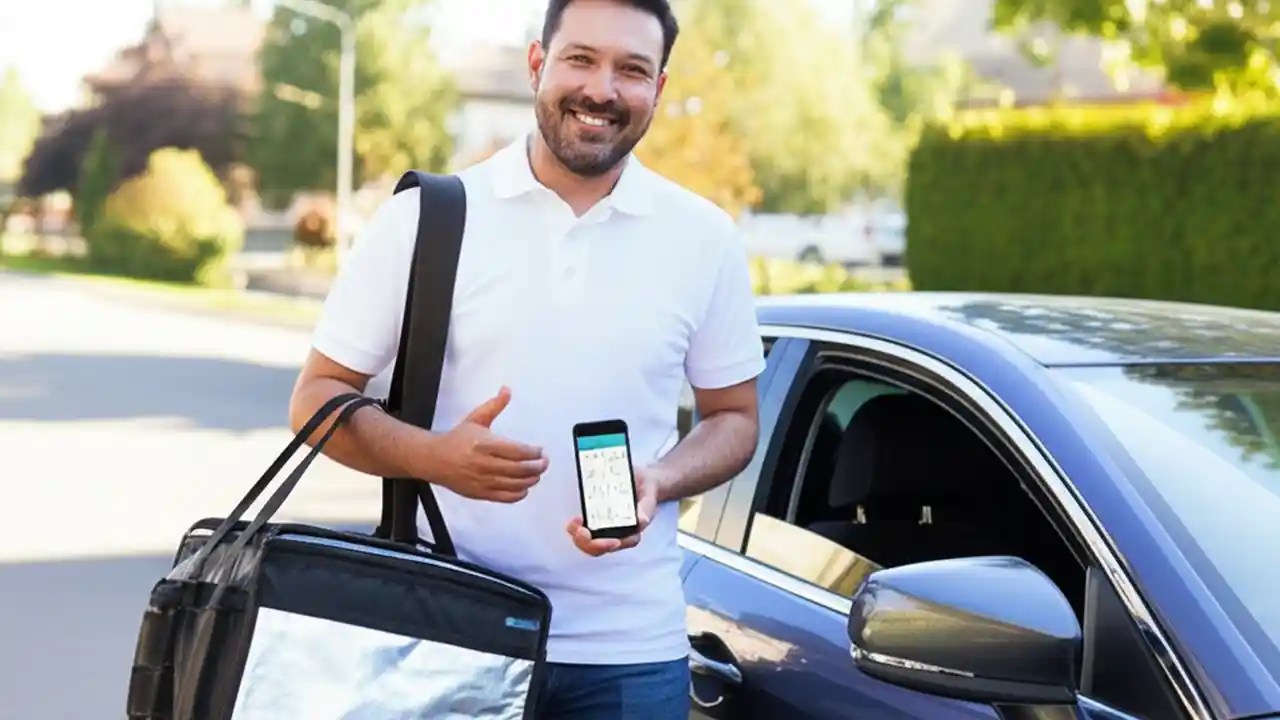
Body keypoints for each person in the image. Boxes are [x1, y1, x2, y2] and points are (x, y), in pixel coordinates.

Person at [287, 0, 764, 716]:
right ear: (538, 65)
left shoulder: (704, 239)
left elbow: (734, 420)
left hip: (627, 652)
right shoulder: (429, 217)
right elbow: (314, 400)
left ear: (659, 90)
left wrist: (661, 479)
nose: (602, 89)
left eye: (631, 69)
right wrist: (434, 457)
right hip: (448, 631)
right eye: (581, 59)